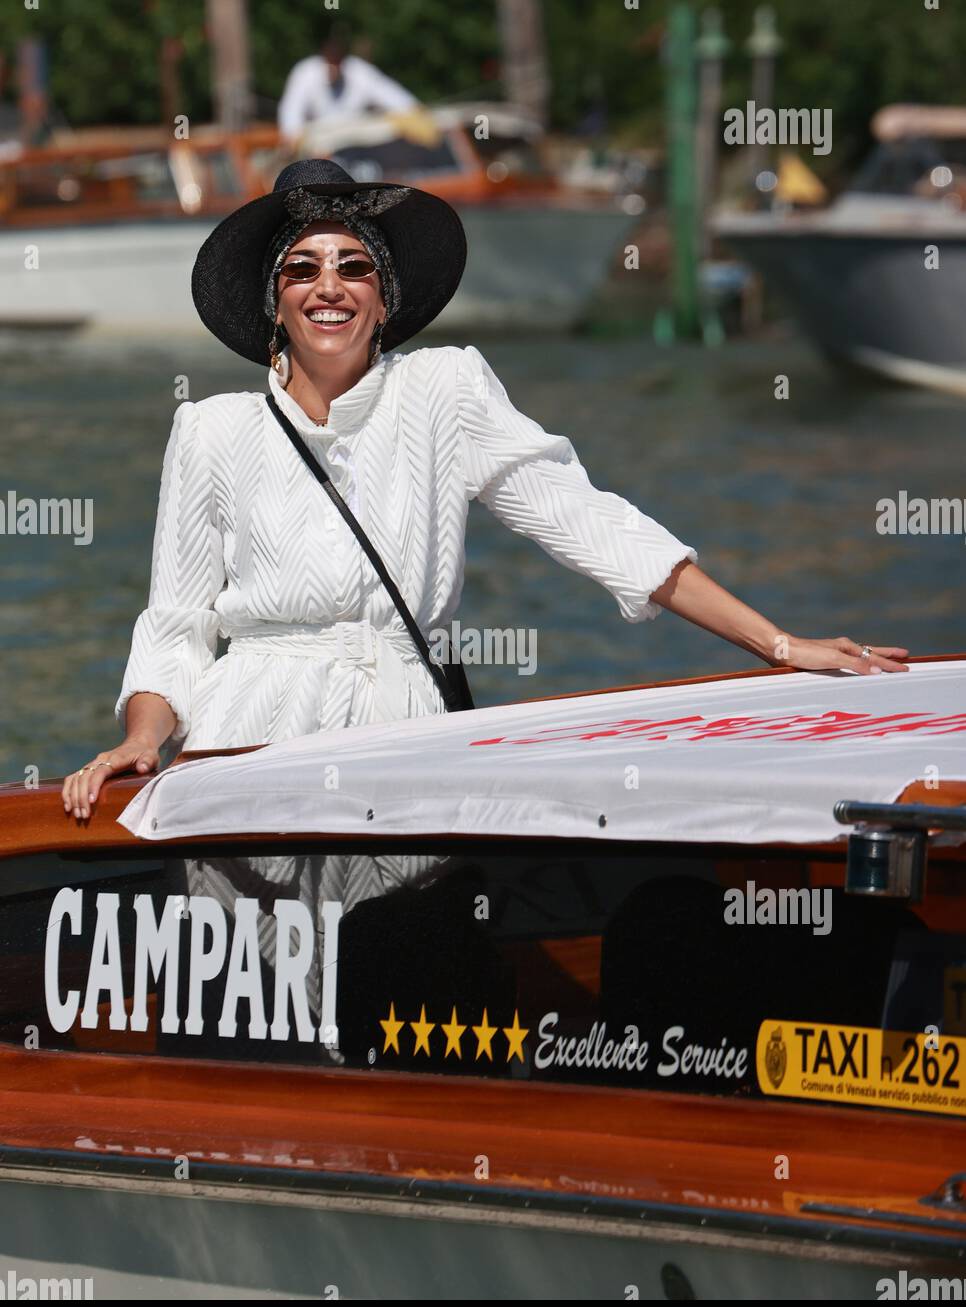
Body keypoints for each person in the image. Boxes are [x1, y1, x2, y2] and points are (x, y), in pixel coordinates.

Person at [62, 155, 908, 822]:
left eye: (354, 268)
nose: (329, 287)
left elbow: (587, 520)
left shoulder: (446, 391)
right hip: (241, 741)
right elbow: (175, 627)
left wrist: (776, 644)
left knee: (398, 982)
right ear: (273, 301)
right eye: (302, 270)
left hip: (398, 732)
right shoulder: (210, 430)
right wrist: (141, 740)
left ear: (383, 299)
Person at [277, 20, 418, 144]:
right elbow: (291, 111)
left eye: (337, 63)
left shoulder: (359, 72)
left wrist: (414, 113)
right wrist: (294, 137)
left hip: (355, 149)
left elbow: (393, 97)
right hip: (317, 151)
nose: (333, 69)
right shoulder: (306, 73)